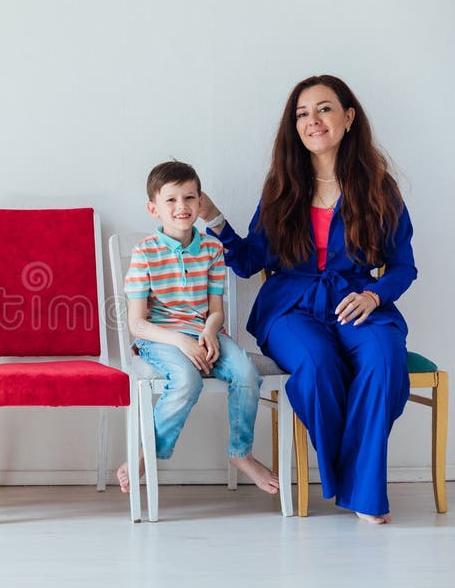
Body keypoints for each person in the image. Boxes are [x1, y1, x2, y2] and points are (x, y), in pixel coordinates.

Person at [200, 74, 416, 524]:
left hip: (354, 300)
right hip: (290, 308)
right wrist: (215, 218)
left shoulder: (379, 188)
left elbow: (402, 266)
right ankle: (361, 486)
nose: (312, 120)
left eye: (324, 109)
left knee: (384, 357)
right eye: (302, 113)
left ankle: (359, 487)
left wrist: (374, 295)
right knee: (317, 364)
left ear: (348, 117)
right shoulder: (282, 186)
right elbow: (250, 260)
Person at [117, 160, 280, 497]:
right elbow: (137, 323)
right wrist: (181, 340)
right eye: (171, 199)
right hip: (160, 338)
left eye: (190, 197)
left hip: (206, 334)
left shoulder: (211, 249)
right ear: (153, 208)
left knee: (246, 372)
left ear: (200, 201)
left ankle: (241, 453)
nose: (182, 206)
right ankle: (148, 451)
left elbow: (216, 310)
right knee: (186, 380)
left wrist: (208, 332)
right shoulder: (145, 253)